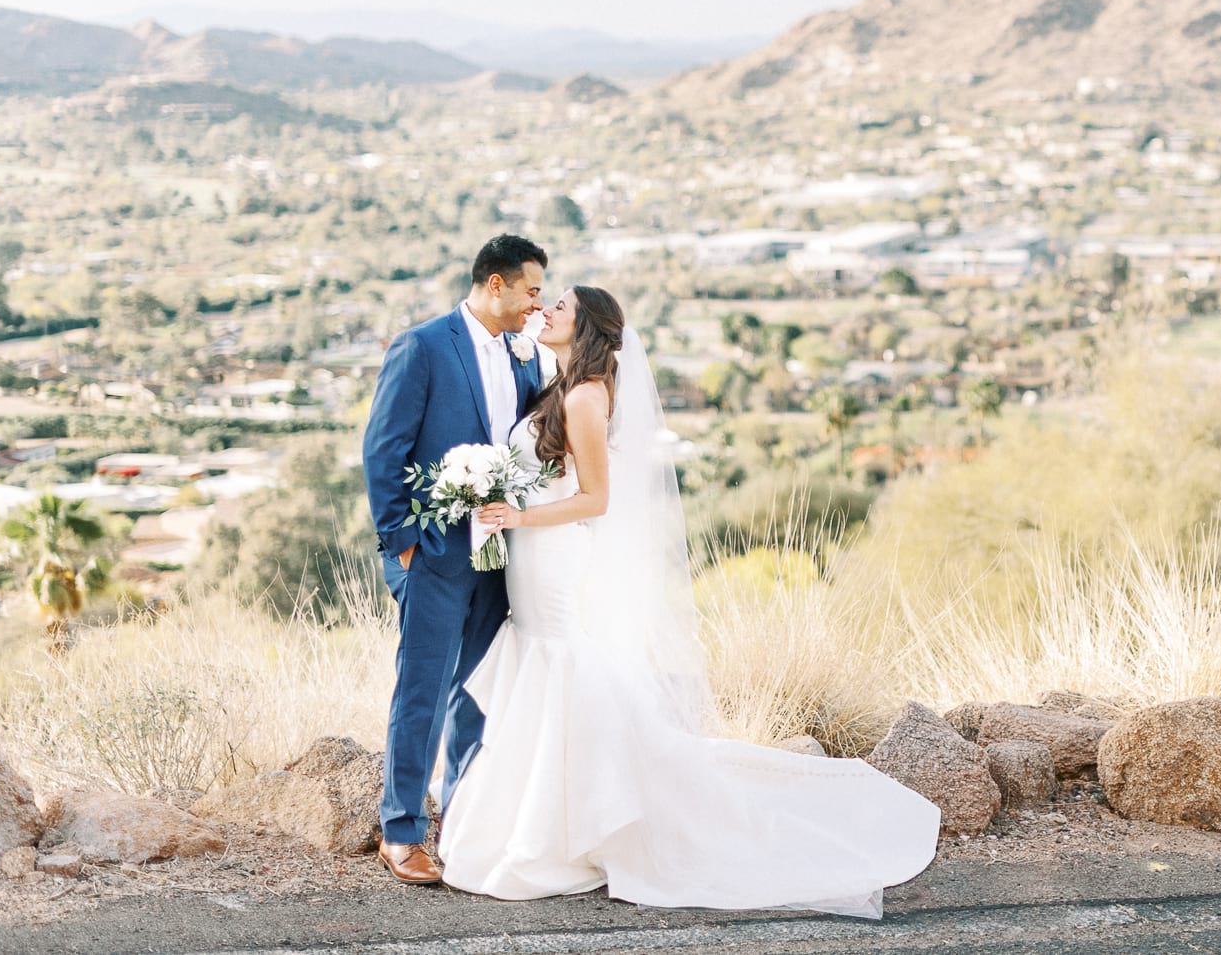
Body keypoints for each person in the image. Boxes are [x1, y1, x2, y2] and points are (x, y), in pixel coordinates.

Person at [437, 285, 939, 915]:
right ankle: (552, 815)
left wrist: (518, 517)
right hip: (531, 555)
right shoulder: (558, 386)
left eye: (560, 307)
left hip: (552, 555)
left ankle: (577, 824)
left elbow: (597, 499)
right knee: (545, 656)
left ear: (586, 327)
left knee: (558, 658)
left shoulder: (588, 397)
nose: (546, 311)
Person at [361, 234, 548, 885]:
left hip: (502, 559)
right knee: (423, 690)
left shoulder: (525, 357)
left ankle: (463, 822)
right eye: (530, 289)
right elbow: (382, 451)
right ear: (494, 284)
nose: (537, 303)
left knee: (481, 690)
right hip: (436, 553)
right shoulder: (423, 347)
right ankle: (401, 830)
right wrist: (404, 545)